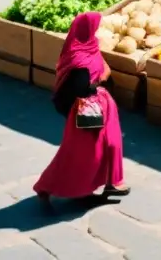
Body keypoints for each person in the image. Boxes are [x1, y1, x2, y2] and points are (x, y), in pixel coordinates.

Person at [34, 12, 128, 203]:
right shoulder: (77, 58)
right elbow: (80, 87)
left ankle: (112, 182)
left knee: (112, 143)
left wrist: (101, 78)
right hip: (87, 107)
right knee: (83, 153)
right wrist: (98, 81)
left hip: (103, 105)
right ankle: (46, 187)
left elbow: (105, 67)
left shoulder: (90, 44)